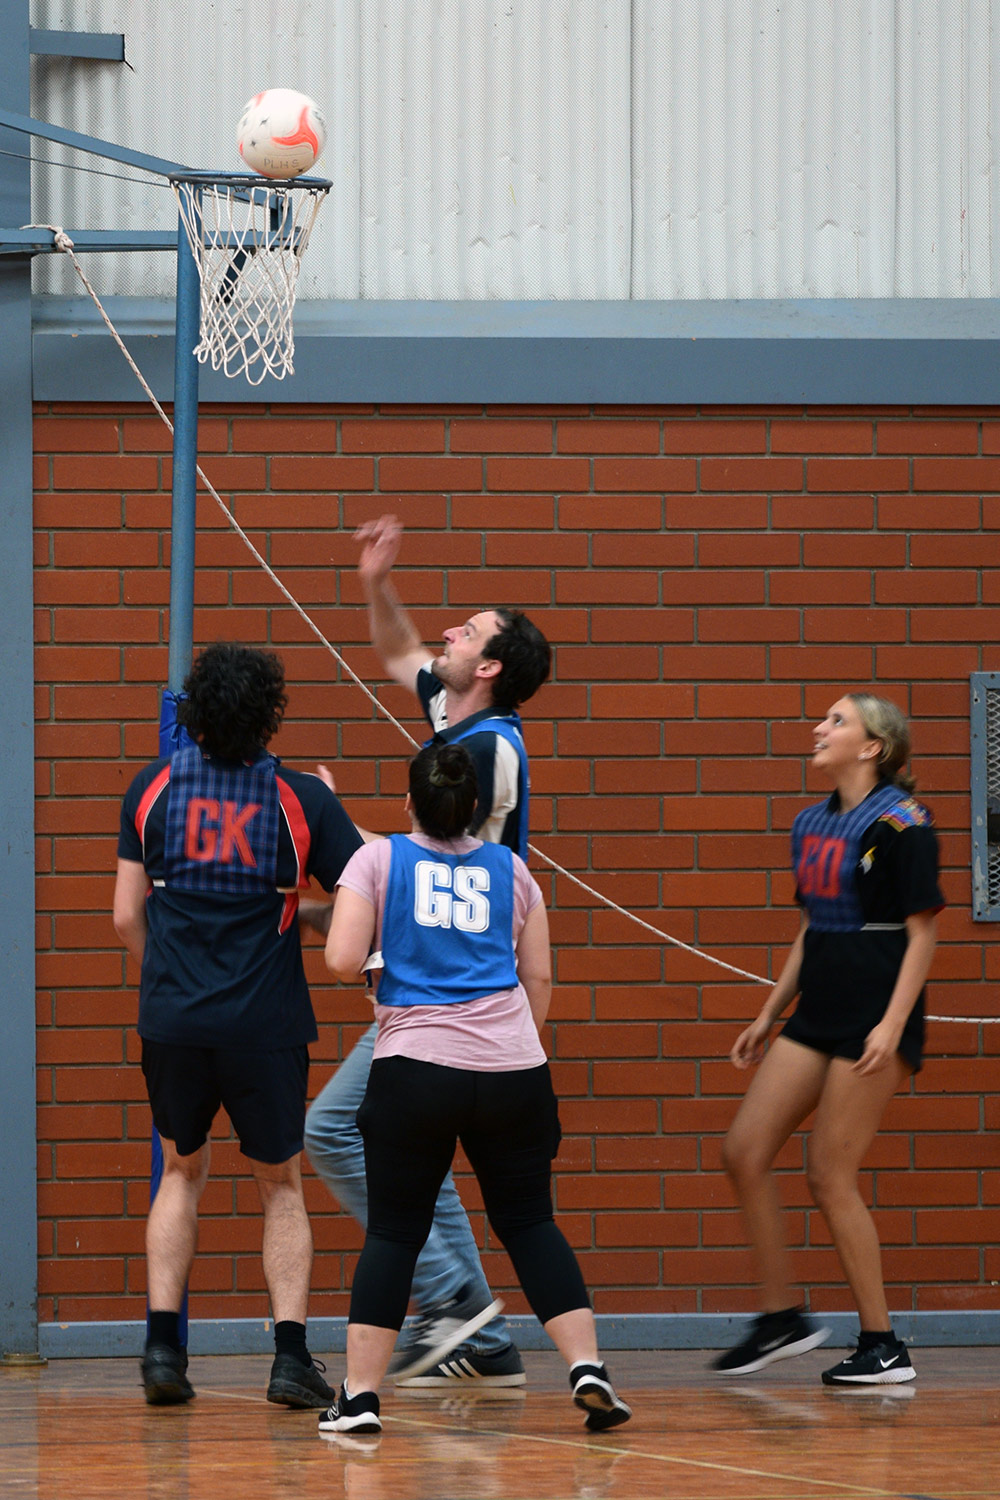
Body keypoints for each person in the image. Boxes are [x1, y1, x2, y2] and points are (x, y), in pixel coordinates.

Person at [315, 739, 632, 1436]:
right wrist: (520, 1048)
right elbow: (539, 977)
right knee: (529, 1223)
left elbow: (341, 960)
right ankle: (588, 1369)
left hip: (416, 1069)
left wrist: (370, 946)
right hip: (514, 1069)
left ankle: (361, 1397)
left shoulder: (378, 858)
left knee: (396, 1234)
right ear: (477, 811)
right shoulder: (512, 868)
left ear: (408, 804)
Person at [304, 514, 552, 1387]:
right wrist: (376, 582)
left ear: (489, 667)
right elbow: (399, 646)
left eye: (469, 630)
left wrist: (322, 820)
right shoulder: (457, 716)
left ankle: (456, 1305)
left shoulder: (489, 750)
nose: (449, 631)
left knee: (336, 1128)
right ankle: (473, 1326)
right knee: (363, 1137)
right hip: (444, 984)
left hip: (458, 989)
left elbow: (427, 860)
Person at [113, 643, 363, 1408]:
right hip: (266, 1023)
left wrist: (172, 975)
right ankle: (290, 1359)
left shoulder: (151, 789)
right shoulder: (302, 802)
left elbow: (127, 915)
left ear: (191, 707)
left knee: (181, 1171)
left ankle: (162, 1351)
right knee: (280, 1186)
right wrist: (305, 902)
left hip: (174, 1020)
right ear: (270, 713)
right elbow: (363, 897)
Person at [712, 693, 944, 1386]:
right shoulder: (810, 822)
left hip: (875, 1010)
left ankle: (883, 1344)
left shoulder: (906, 823)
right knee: (743, 1151)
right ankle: (781, 1315)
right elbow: (813, 926)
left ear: (873, 747)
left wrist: (894, 1025)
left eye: (839, 721)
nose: (820, 728)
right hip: (818, 1008)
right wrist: (768, 1012)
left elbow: (924, 932)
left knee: (828, 1175)